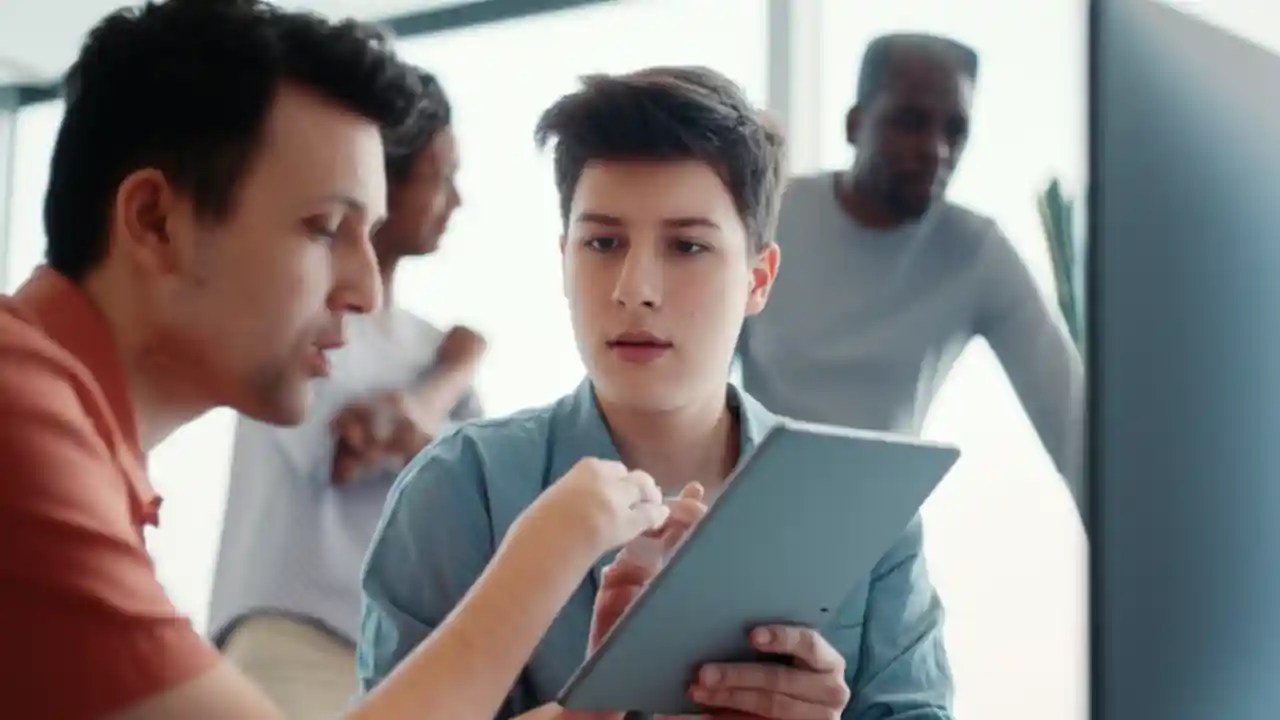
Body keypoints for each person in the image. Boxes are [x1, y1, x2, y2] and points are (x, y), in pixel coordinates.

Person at [0, 2, 675, 718]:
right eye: (324, 229)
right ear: (154, 221)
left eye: (368, 235)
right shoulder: (18, 423)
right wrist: (548, 552)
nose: (364, 290)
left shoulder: (73, 446)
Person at [359, 66, 954, 719]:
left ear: (759, 278)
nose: (635, 286)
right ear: (565, 260)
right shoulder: (457, 491)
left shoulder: (864, 512)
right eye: (604, 242)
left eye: (687, 246)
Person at [205, 67, 488, 718]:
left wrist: (425, 402)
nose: (458, 199)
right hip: (290, 637)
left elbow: (472, 489)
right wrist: (454, 375)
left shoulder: (430, 343)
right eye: (441, 176)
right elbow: (344, 444)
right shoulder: (295, 310)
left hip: (399, 657)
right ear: (380, 178)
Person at [737, 33, 1085, 509]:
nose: (936, 150)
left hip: (884, 538)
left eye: (954, 131)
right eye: (911, 122)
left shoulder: (976, 251)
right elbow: (689, 398)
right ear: (855, 124)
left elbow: (1072, 425)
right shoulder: (771, 219)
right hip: (760, 515)